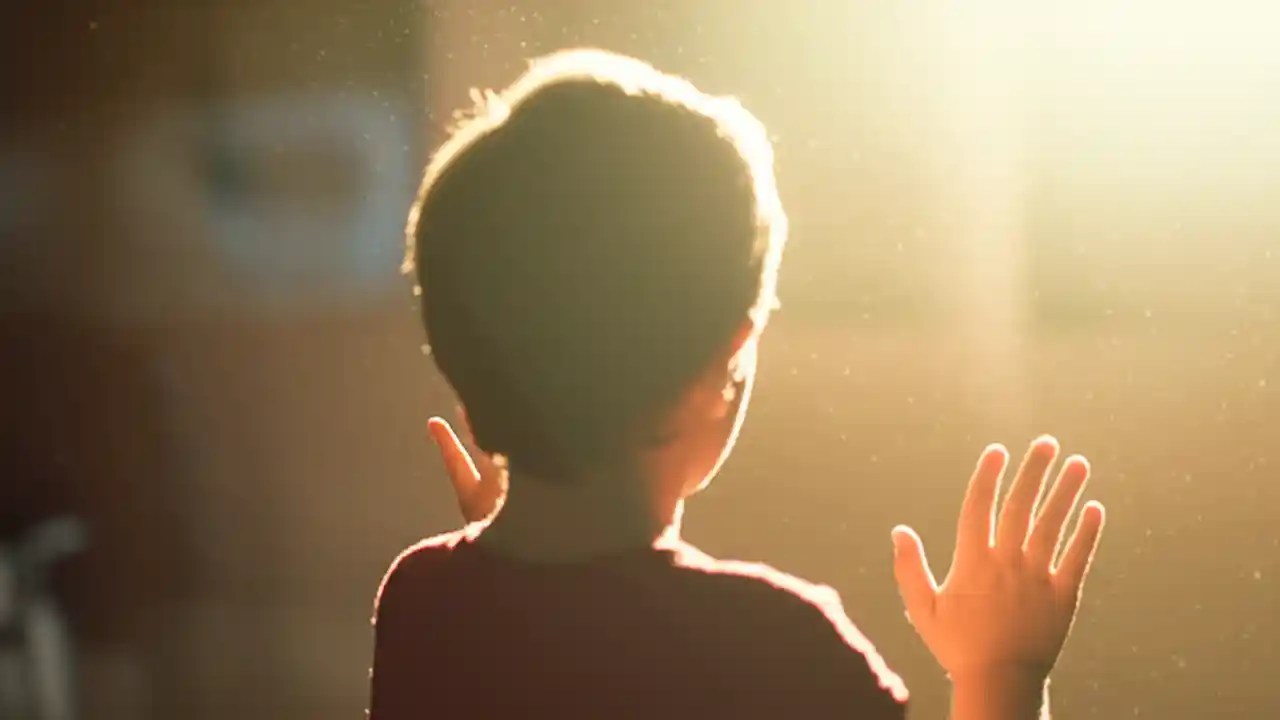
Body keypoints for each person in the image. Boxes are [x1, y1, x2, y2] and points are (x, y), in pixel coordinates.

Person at [369, 49, 1106, 719]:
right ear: (720, 370)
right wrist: (1002, 673)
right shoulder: (783, 650)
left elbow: (562, 647)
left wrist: (524, 550)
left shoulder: (424, 600)